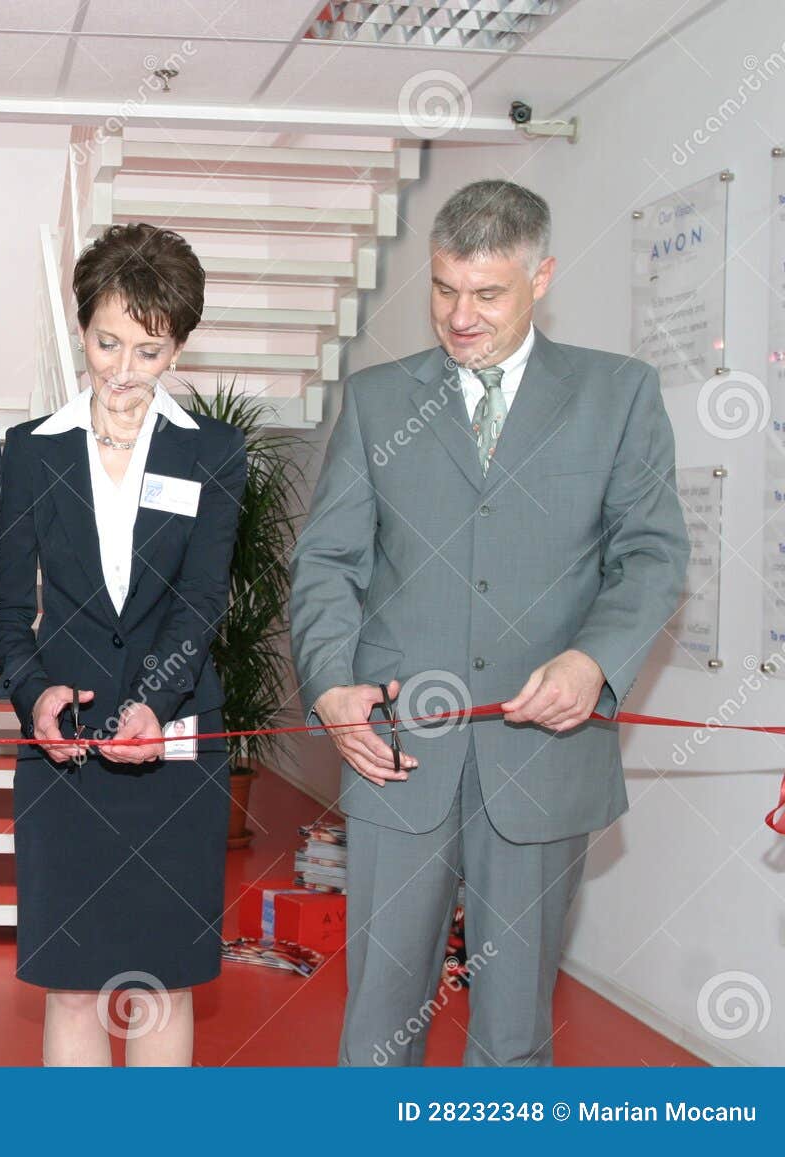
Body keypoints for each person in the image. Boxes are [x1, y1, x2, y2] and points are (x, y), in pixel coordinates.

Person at [289, 179, 689, 1066]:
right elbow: (328, 561)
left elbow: (653, 555)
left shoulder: (616, 395)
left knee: (514, 1034)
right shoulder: (378, 400)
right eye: (443, 289)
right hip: (398, 753)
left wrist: (596, 659)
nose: (459, 315)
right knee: (377, 1028)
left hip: (546, 753)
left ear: (541, 277)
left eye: (487, 293)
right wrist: (329, 684)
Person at [0, 223, 247, 1066]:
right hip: (65, 746)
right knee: (71, 979)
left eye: (149, 348)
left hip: (173, 743)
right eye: (107, 341)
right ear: (80, 327)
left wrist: (152, 703)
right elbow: (2, 603)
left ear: (178, 347)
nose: (123, 369)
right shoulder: (28, 451)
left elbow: (202, 598)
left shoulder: (213, 451)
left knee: (160, 977)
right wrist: (34, 694)